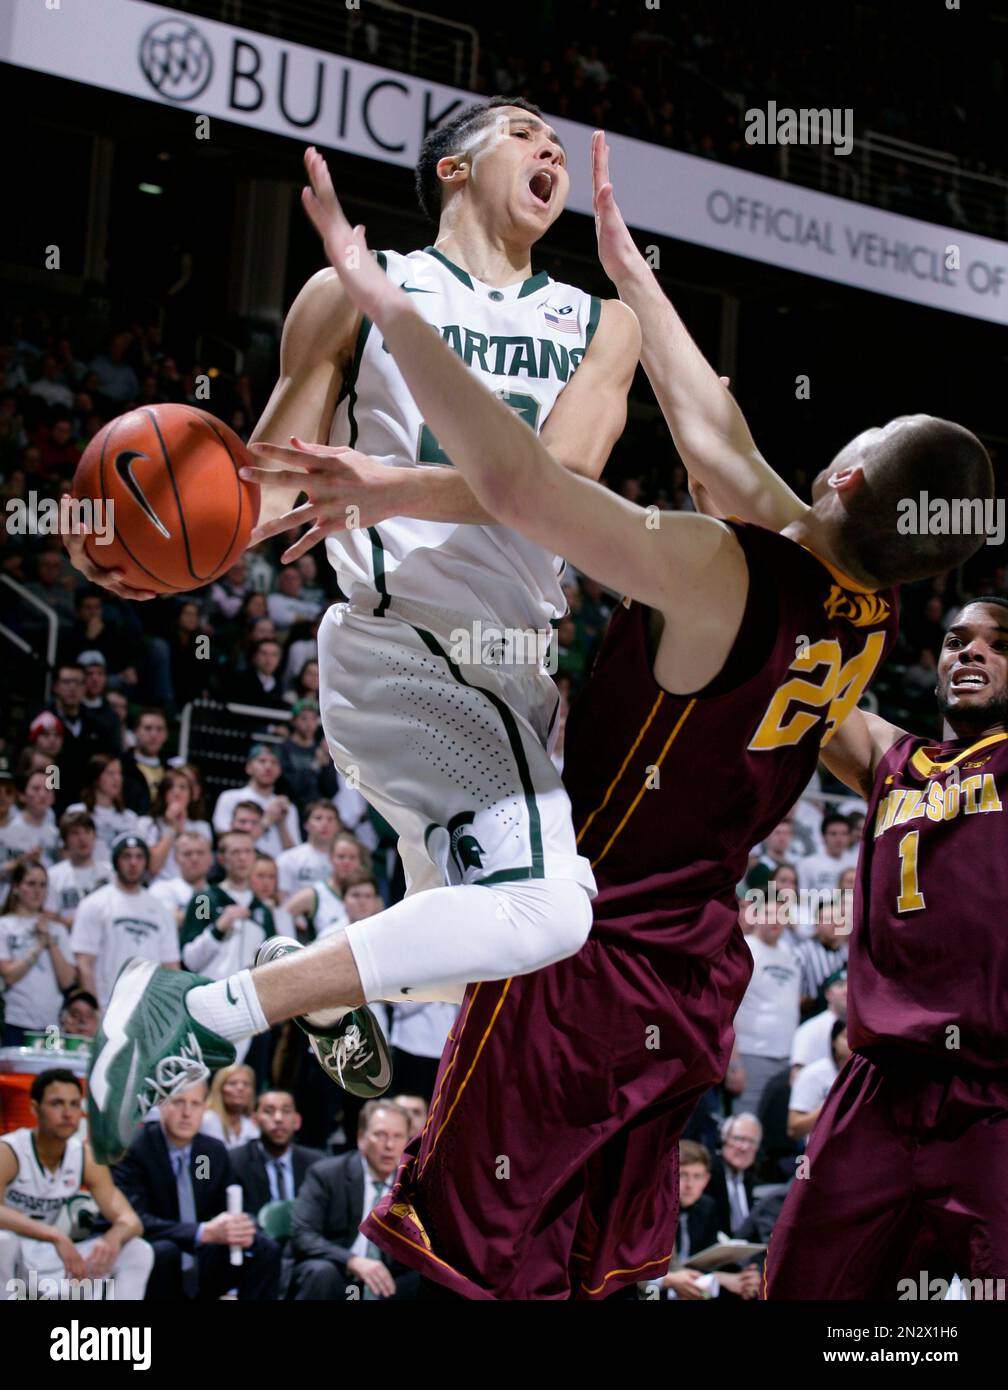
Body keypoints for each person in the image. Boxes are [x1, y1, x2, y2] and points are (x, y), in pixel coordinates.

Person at [84, 135, 993, 1321]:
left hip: (593, 940)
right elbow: (718, 440)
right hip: (684, 965)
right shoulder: (861, 610)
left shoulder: (724, 565)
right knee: (571, 1260)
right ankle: (331, 988)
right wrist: (633, 271)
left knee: (466, 1241)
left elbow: (536, 485)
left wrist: (395, 339)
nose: (548, 147)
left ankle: (223, 1003)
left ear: (847, 480)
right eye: (523, 132)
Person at [78, 95, 638, 1105]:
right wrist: (144, 540)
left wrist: (388, 484)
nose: (550, 146)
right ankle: (208, 1009)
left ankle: (320, 994)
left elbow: (561, 486)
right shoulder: (353, 293)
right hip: (407, 650)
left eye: (556, 140)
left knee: (474, 946)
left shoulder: (604, 323)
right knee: (553, 912)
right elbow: (268, 486)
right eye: (522, 131)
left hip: (517, 668)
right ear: (455, 168)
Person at [767, 595, 1008, 1298]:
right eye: (957, 641)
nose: (971, 652)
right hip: (879, 1089)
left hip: (993, 1095)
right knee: (801, 1287)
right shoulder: (891, 759)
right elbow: (800, 667)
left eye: (999, 644)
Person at [111, 1080, 280, 1301]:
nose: (187, 1113)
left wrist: (239, 1226)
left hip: (202, 1249)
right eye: (179, 1102)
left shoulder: (207, 1153)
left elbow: (221, 1202)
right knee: (166, 1251)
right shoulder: (136, 1149)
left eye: (195, 1104)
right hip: (157, 1242)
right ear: (161, 1105)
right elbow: (137, 1219)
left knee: (265, 1248)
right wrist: (201, 1231)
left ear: (205, 1108)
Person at [0, 1069, 152, 1299]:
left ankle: (117, 1334)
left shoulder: (84, 1156)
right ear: (34, 1108)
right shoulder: (10, 1151)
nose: (68, 1113)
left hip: (50, 1255)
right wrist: (54, 1235)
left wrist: (114, 1236)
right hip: (13, 1257)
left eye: (73, 1104)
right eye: (56, 1104)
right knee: (2, 1241)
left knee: (138, 1250)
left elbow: (131, 1221)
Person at [289, 1100, 418, 1300]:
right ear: (361, 1138)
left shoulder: (411, 1185)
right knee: (322, 1272)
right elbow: (303, 1234)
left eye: (398, 1136)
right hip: (338, 1270)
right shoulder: (327, 1174)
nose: (389, 1145)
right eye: (380, 1135)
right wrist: (353, 1261)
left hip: (386, 1276)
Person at [230, 1089, 326, 1296]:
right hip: (257, 1254)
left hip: (305, 1252)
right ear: (254, 1120)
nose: (278, 1119)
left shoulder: (317, 1163)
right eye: (269, 1111)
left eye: (286, 1111)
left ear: (297, 1121)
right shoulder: (234, 1161)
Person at [70, 833, 179, 1009]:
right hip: (107, 1006)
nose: (133, 863)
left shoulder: (161, 910)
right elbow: (83, 964)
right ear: (116, 861)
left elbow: (171, 968)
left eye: (139, 856)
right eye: (126, 856)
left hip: (148, 1012)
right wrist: (95, 1010)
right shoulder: (94, 903)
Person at [179, 831, 284, 983]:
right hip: (210, 991)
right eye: (235, 852)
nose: (243, 858)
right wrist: (218, 928)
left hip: (249, 996)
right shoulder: (205, 900)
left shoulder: (262, 909)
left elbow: (272, 964)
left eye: (248, 851)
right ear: (222, 859)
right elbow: (190, 960)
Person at [733, 903, 802, 1117]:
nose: (776, 920)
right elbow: (728, 1008)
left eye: (782, 915)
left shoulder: (792, 955)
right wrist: (734, 1063)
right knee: (744, 1123)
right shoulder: (744, 948)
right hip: (751, 1053)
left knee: (775, 1130)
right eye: (770, 914)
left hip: (786, 1055)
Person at [0, 862, 77, 1044]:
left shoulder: (57, 930)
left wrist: (49, 942)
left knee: (51, 1071)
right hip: (14, 1020)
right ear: (16, 887)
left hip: (52, 1024)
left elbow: (67, 981)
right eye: (31, 884)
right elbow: (10, 976)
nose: (37, 891)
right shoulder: (3, 926)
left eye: (43, 885)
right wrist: (38, 945)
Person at [211, 746, 302, 858]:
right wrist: (266, 820)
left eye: (274, 762)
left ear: (280, 770)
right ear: (249, 767)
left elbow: (294, 855)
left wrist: (281, 824)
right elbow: (224, 842)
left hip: (274, 871)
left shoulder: (287, 807)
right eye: (262, 761)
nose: (268, 767)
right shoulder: (229, 798)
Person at [137, 768, 213, 881]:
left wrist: (181, 829)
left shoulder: (202, 828)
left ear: (191, 794)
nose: (176, 792)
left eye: (183, 787)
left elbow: (201, 869)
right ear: (163, 794)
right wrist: (172, 828)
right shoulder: (146, 823)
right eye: (170, 787)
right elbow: (153, 866)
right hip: (158, 888)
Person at [786, 1019, 851, 1145]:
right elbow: (793, 1129)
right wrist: (830, 1106)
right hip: (821, 1150)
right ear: (833, 1041)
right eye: (846, 1037)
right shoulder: (813, 1074)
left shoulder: (871, 1074)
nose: (853, 1043)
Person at [44, 811, 111, 929]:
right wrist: (68, 922)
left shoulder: (110, 872)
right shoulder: (53, 875)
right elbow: (48, 915)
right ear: (65, 840)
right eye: (75, 834)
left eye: (87, 832)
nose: (82, 838)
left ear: (94, 836)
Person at [65, 754, 139, 854]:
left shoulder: (130, 817)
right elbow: (65, 851)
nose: (117, 779)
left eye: (119, 773)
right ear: (96, 778)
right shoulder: (77, 812)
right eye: (110, 773)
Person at [708, 1113, 761, 1237]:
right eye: (739, 1139)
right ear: (723, 1139)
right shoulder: (706, 1175)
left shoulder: (755, 1182)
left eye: (752, 1141)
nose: (745, 1147)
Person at [275, 799, 340, 899]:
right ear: (306, 825)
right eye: (318, 818)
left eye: (330, 819)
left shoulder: (347, 859)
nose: (325, 824)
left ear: (338, 826)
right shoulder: (288, 859)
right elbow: (281, 898)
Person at [150, 829, 214, 927]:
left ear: (211, 857)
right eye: (187, 854)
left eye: (200, 853)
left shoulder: (216, 893)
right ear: (176, 858)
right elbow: (165, 924)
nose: (194, 859)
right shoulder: (161, 888)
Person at [789, 967, 847, 1074]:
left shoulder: (865, 1028)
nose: (846, 990)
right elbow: (796, 1073)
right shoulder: (810, 1028)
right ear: (828, 994)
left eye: (850, 985)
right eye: (840, 985)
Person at [0, 768, 61, 868]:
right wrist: (21, 862)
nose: (42, 795)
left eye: (48, 789)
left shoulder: (56, 834)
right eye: (36, 789)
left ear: (53, 797)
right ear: (22, 795)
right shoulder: (7, 830)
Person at [120, 708, 170, 815]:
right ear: (135, 732)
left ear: (166, 735)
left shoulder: (172, 770)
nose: (154, 734)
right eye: (148, 728)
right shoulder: (121, 766)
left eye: (159, 729)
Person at [200, 1064, 260, 1148]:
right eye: (233, 1083)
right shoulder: (206, 1120)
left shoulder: (252, 1126)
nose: (240, 1088)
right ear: (220, 1089)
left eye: (246, 1084)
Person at [796, 811, 858, 892]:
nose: (839, 839)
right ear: (823, 836)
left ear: (849, 837)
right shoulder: (807, 864)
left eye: (844, 833)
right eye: (833, 834)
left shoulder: (856, 863)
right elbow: (801, 896)